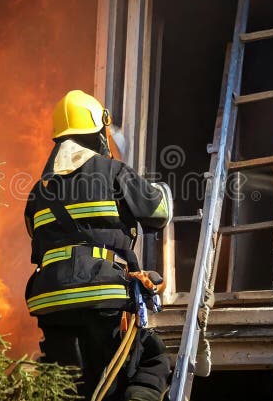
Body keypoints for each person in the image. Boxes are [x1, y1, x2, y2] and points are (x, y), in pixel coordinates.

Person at [24, 90, 172, 401]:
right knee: (149, 361)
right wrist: (159, 189)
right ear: (96, 132)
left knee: (73, 386)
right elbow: (158, 214)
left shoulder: (40, 190)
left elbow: (37, 243)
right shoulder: (113, 172)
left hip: (50, 301)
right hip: (102, 295)